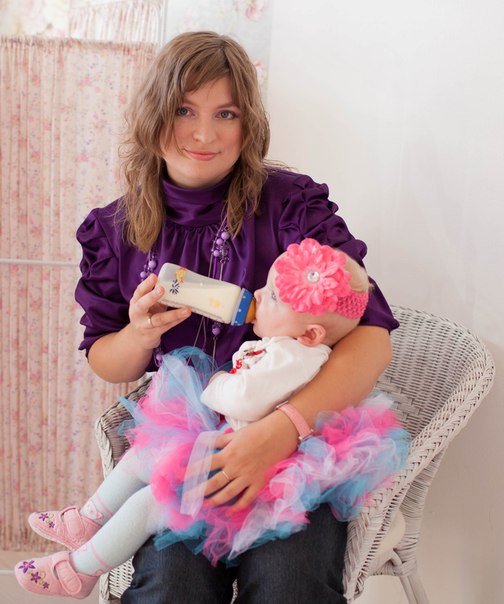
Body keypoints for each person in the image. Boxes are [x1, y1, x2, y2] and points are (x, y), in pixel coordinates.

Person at [20, 30, 399, 603]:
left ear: (249, 124)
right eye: (184, 110)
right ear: (153, 114)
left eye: (226, 113)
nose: (204, 134)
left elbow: (371, 337)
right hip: (185, 448)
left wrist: (278, 432)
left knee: (290, 583)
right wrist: (139, 333)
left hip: (296, 445)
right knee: (172, 586)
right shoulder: (113, 230)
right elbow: (107, 360)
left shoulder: (291, 206)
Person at [15, 241, 408, 599]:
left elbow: (243, 399)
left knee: (153, 502)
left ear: (310, 334)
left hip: (249, 464)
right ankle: (88, 519)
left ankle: (79, 570)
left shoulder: (293, 356)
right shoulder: (284, 344)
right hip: (225, 440)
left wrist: (216, 383)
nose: (257, 294)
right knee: (147, 456)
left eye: (272, 296)